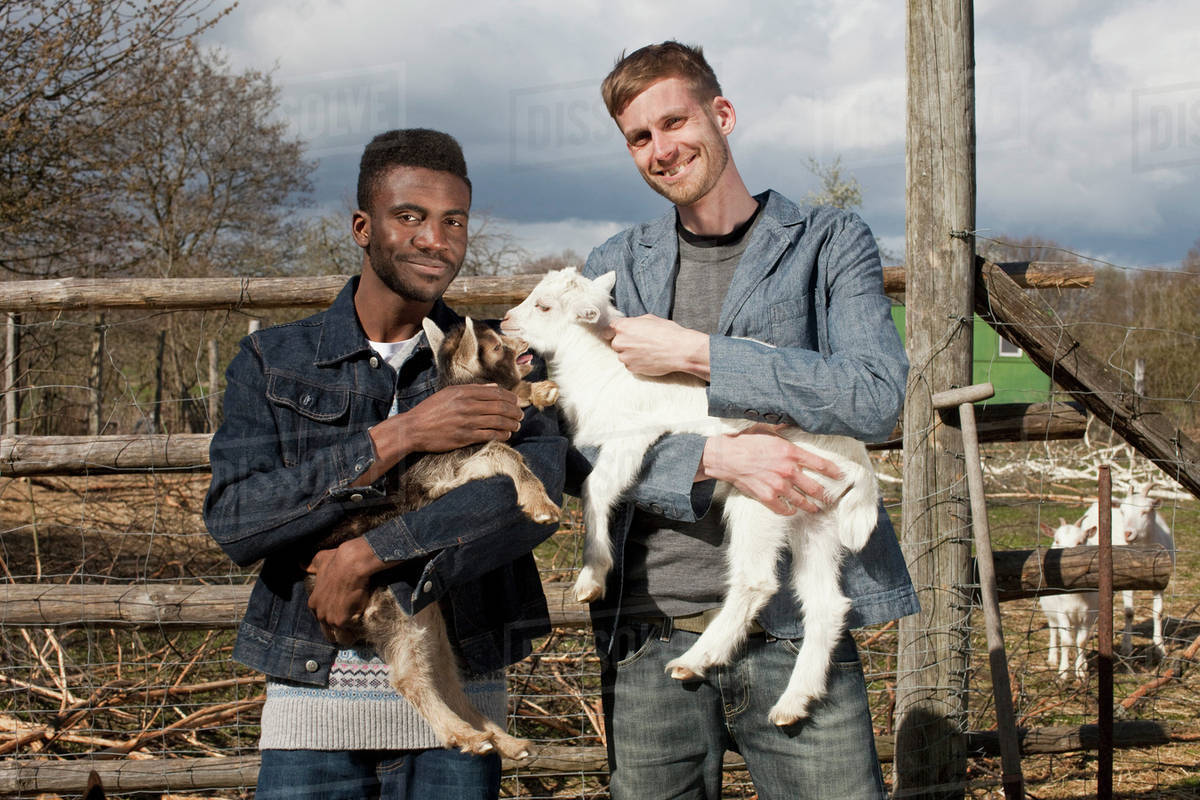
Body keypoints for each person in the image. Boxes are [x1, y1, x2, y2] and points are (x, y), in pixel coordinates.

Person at [579, 42, 919, 799]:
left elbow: (872, 395)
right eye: (640, 137)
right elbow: (587, 439)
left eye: (675, 122)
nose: (661, 150)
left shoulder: (829, 242)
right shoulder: (616, 264)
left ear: (722, 114)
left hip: (793, 627)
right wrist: (711, 461)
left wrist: (700, 352)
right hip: (650, 626)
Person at [203, 128, 566, 800]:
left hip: (459, 723)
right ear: (363, 228)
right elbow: (237, 520)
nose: (436, 239)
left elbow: (529, 502)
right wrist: (395, 437)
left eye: (452, 221)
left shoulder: (505, 358)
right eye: (411, 217)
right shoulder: (273, 361)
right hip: (312, 717)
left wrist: (360, 557)